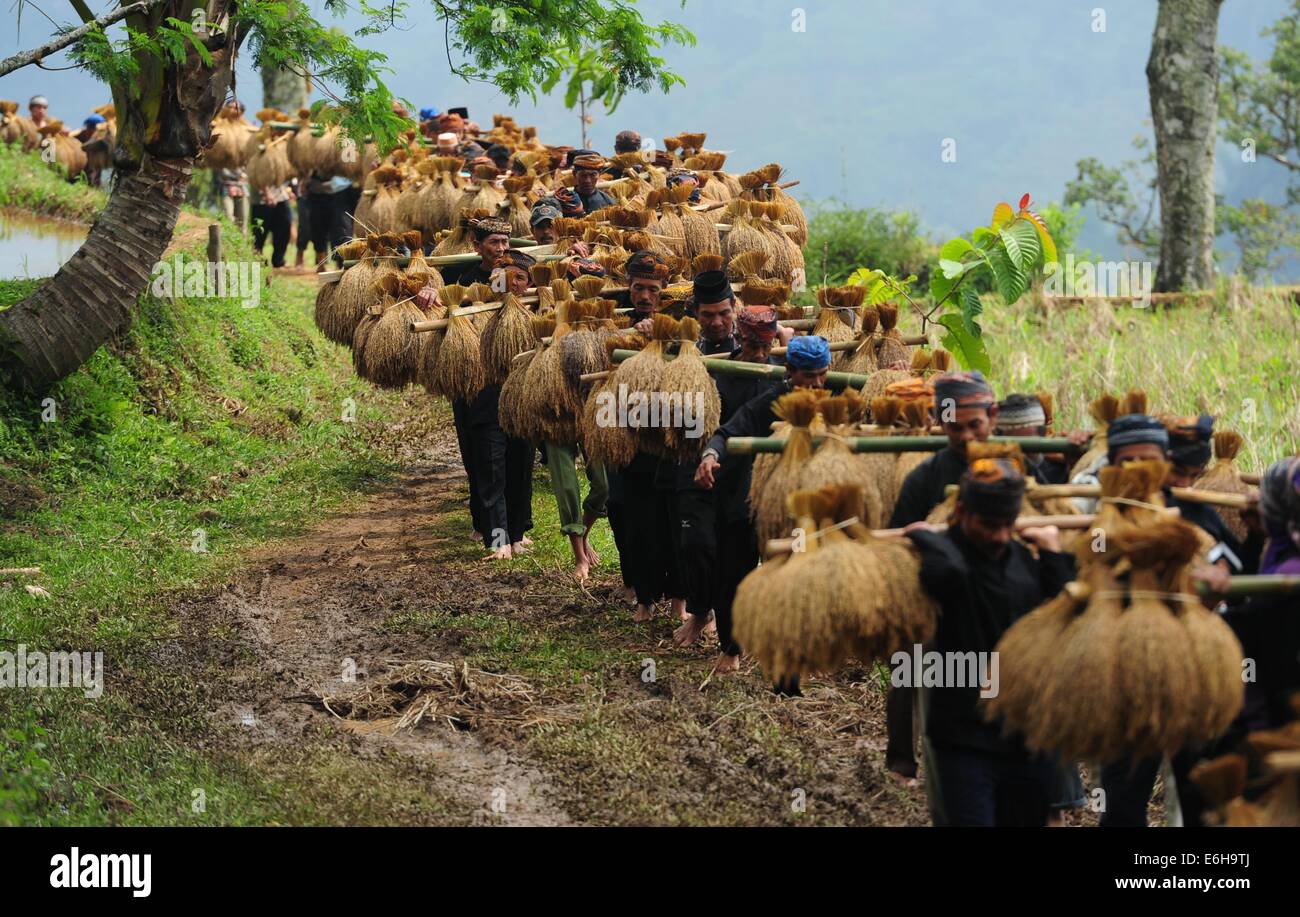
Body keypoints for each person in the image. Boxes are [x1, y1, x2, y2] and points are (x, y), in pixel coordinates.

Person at [1092, 413, 1243, 827]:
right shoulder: (1095, 515)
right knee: (1121, 801)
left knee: (1200, 797)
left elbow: (1238, 576)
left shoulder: (1194, 516)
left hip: (1192, 677)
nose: (1143, 472)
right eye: (1130, 461)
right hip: (1125, 682)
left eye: (1152, 460)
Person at [904, 459, 1074, 826]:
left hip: (1028, 737)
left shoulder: (1026, 563)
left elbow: (1066, 615)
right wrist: (926, 536)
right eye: (988, 525)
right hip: (966, 737)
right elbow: (949, 575)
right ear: (962, 511)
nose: (998, 536)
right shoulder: (942, 558)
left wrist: (1054, 552)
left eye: (1006, 525)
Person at [696, 334, 832, 694]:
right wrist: (710, 456)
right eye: (808, 376)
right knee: (734, 578)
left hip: (799, 513)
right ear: (789, 372)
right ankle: (730, 648)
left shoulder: (834, 407)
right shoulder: (768, 404)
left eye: (822, 375)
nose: (816, 384)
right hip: (749, 503)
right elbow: (728, 432)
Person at [885, 370, 999, 778]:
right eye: (955, 427)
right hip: (932, 595)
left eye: (975, 426)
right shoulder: (925, 477)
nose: (966, 436)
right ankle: (902, 759)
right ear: (938, 420)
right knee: (909, 668)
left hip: (992, 600)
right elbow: (900, 539)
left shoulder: (1010, 470)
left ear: (993, 416)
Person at [673, 303, 782, 673]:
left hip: (750, 484)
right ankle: (700, 610)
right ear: (741, 334)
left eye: (766, 346)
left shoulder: (780, 381)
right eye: (752, 344)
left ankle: (731, 647)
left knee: (736, 564)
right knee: (696, 545)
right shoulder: (712, 370)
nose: (758, 353)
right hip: (702, 471)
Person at [995, 394, 1072, 484]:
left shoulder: (1061, 469)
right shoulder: (991, 471)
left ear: (1042, 433)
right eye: (1012, 438)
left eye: (1024, 439)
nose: (1014, 449)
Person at [445, 217, 510, 287]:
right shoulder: (459, 274)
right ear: (477, 246)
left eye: (504, 242)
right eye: (494, 242)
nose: (501, 249)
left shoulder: (517, 273)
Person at [251, 177, 293, 268]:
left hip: (281, 198)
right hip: (261, 201)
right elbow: (257, 176)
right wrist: (267, 193)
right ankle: (258, 259)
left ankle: (279, 260)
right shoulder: (256, 163)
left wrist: (287, 191)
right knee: (259, 233)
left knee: (285, 225)